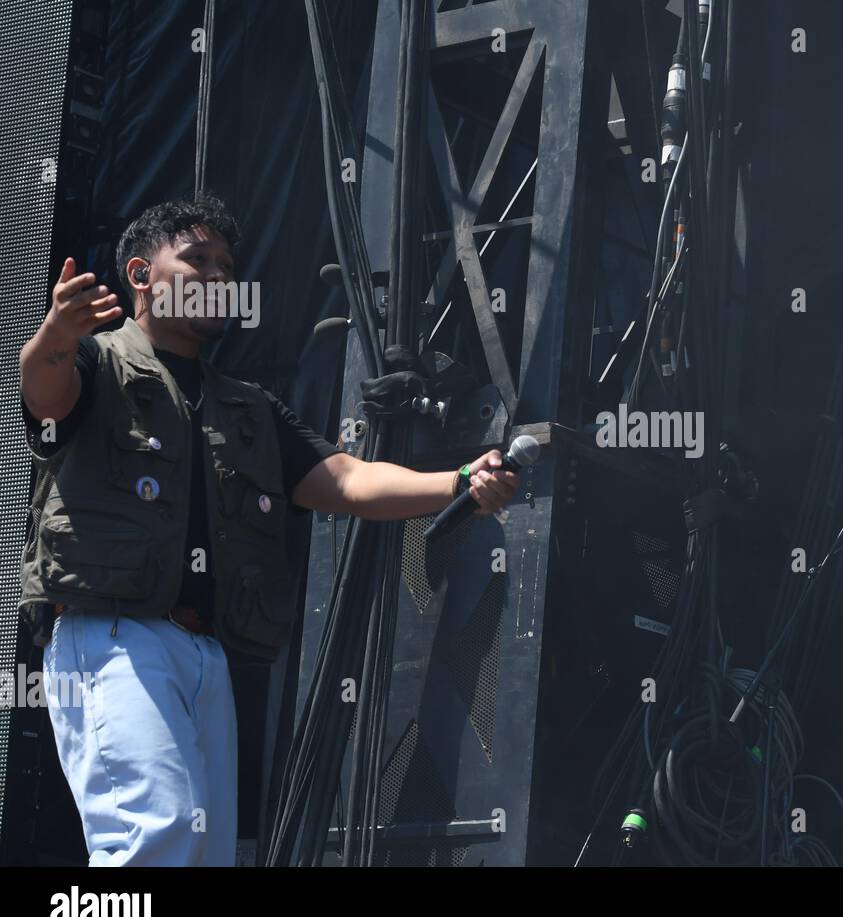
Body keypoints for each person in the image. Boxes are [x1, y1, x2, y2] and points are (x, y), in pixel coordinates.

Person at [18, 194, 520, 866]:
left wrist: (457, 483)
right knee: (155, 834)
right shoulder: (98, 364)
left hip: (204, 656)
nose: (219, 277)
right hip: (112, 637)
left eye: (227, 265)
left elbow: (344, 481)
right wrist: (55, 333)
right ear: (140, 275)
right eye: (197, 260)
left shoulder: (247, 409)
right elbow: (43, 388)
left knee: (203, 853)